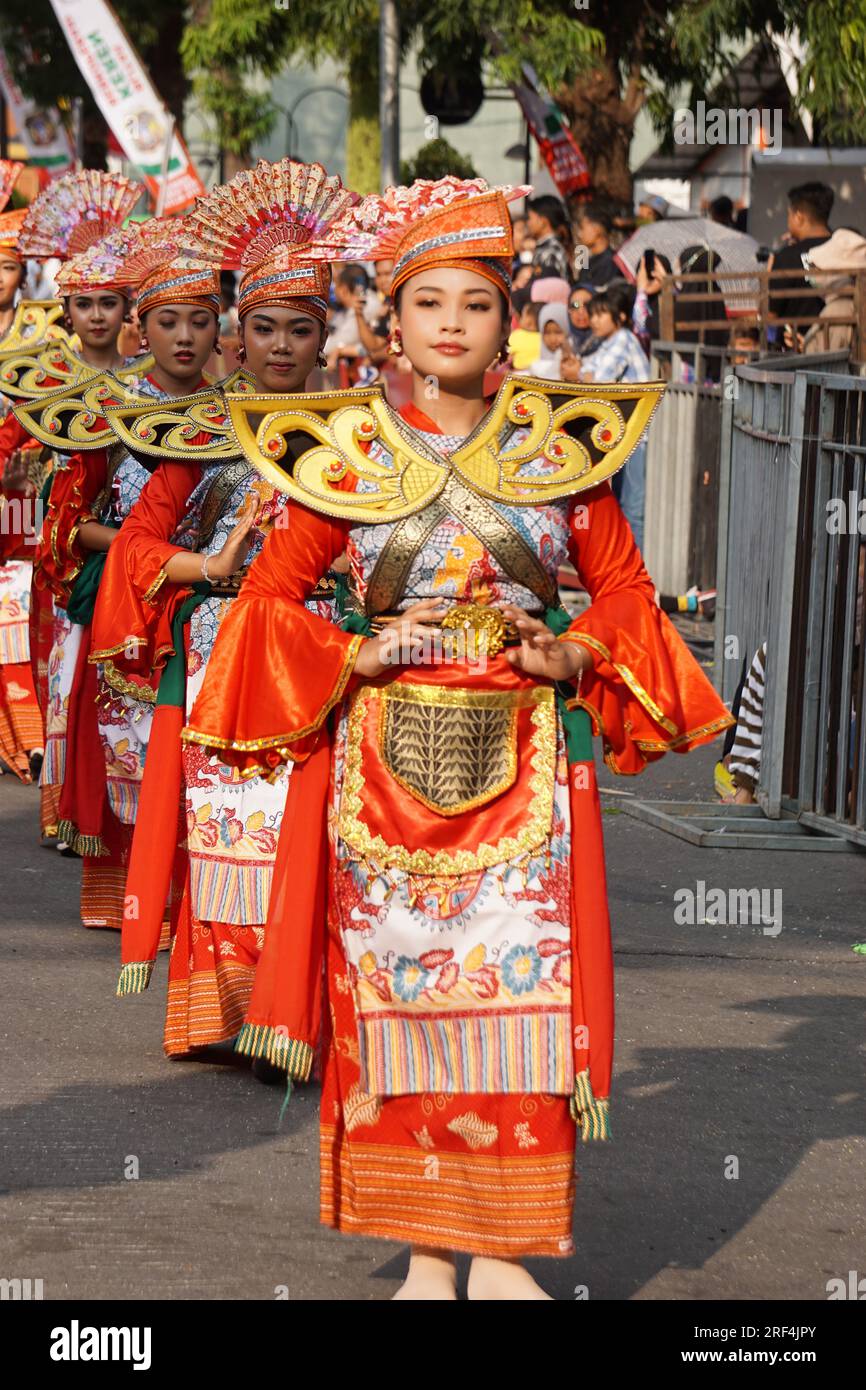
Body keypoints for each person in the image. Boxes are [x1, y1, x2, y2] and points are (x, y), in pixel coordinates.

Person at [181, 176, 733, 1299]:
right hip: (382, 775)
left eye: (472, 304)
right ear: (389, 320)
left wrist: (572, 651)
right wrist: (354, 654)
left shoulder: (556, 455)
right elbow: (265, 610)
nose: (447, 323)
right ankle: (428, 1255)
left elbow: (627, 595)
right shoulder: (342, 458)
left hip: (519, 770)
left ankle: (503, 1251)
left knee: (514, 1003)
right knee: (395, 1005)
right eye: (425, 301)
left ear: (503, 320)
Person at [91, 158, 358, 1061]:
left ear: (323, 341)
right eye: (263, 329)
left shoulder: (354, 441)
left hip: (318, 661)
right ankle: (228, 1014)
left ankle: (293, 1019)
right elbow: (133, 544)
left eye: (298, 331)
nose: (280, 347)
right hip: (217, 657)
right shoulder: (205, 434)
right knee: (228, 840)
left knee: (304, 838)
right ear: (236, 335)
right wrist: (208, 563)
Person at [22, 220, 220, 929]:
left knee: (191, 761)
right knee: (123, 754)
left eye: (201, 321)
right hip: (122, 602)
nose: (185, 337)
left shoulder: (232, 415)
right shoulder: (108, 410)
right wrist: (146, 548)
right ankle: (133, 903)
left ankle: (189, 906)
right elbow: (65, 523)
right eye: (169, 321)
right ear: (143, 327)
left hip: (198, 604)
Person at [9, 170, 148, 835]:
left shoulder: (147, 388)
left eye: (109, 303)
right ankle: (65, 812)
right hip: (65, 540)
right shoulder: (42, 379)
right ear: (67, 312)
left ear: (127, 312)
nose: (97, 315)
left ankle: (103, 810)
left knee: (114, 680)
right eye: (85, 304)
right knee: (65, 674)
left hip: (128, 530)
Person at [568, 289, 652, 551]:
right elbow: (587, 370)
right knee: (620, 504)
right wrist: (583, 372)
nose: (594, 320)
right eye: (593, 314)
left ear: (620, 317)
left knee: (632, 507)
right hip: (623, 436)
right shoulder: (607, 342)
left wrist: (580, 373)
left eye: (601, 314)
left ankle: (639, 573)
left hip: (637, 435)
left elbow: (599, 377)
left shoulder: (624, 339)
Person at [769, 181, 833, 327]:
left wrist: (770, 268)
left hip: (794, 345)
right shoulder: (844, 250)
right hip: (840, 345)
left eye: (789, 214)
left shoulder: (786, 257)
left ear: (798, 216)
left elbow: (769, 314)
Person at [526, 194, 571, 281]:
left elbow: (548, 289)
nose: (528, 223)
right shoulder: (546, 248)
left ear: (543, 221)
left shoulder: (550, 251)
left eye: (530, 218)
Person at [574, 204, 618, 289]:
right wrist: (576, 302)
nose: (579, 234)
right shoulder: (588, 262)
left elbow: (585, 297)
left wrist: (577, 301)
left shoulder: (609, 263)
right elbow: (577, 300)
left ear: (597, 228)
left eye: (582, 228)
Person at [528, 302, 570, 379]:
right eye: (547, 333)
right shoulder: (536, 367)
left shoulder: (575, 364)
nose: (553, 339)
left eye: (558, 332)